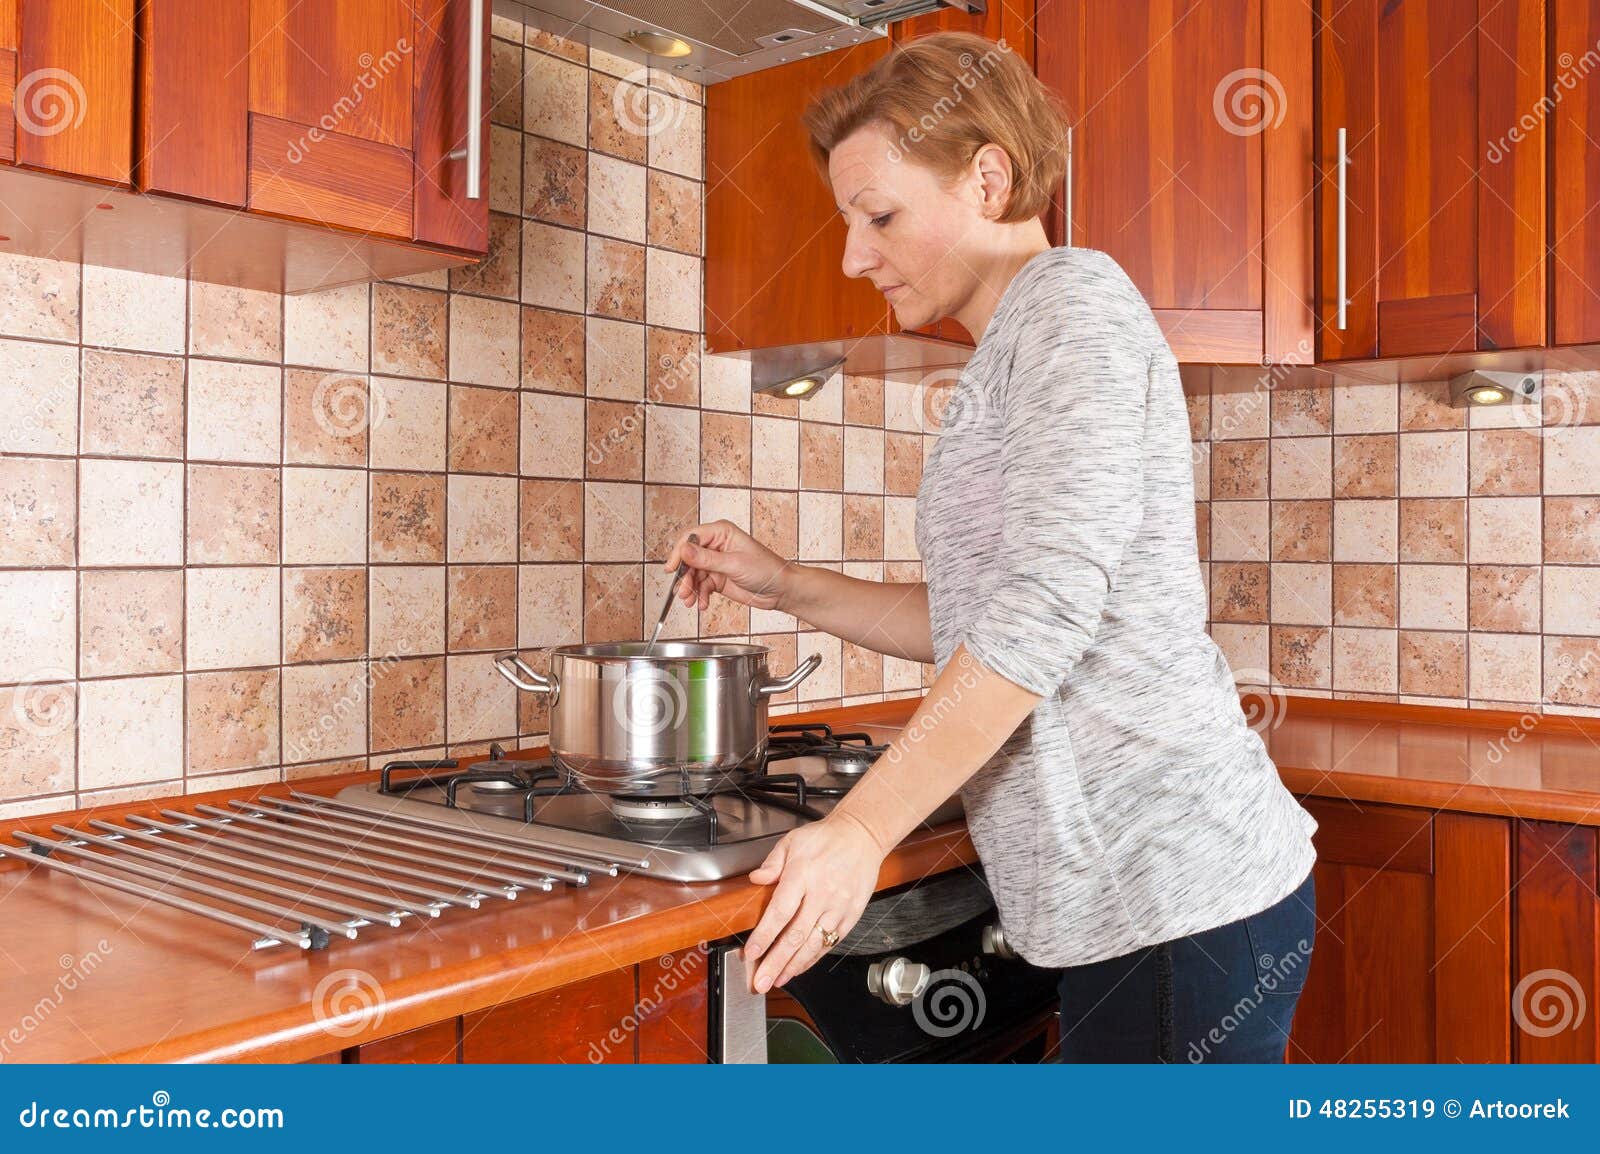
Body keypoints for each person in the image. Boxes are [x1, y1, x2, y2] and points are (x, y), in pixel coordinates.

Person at [660, 30, 1318, 1063]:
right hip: (1134, 908)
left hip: (1176, 897)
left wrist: (861, 831)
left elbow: (1040, 615)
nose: (852, 253)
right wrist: (781, 580)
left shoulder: (1071, 309)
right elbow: (982, 615)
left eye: (878, 215)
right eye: (846, 221)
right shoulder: (1009, 347)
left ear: (987, 176)